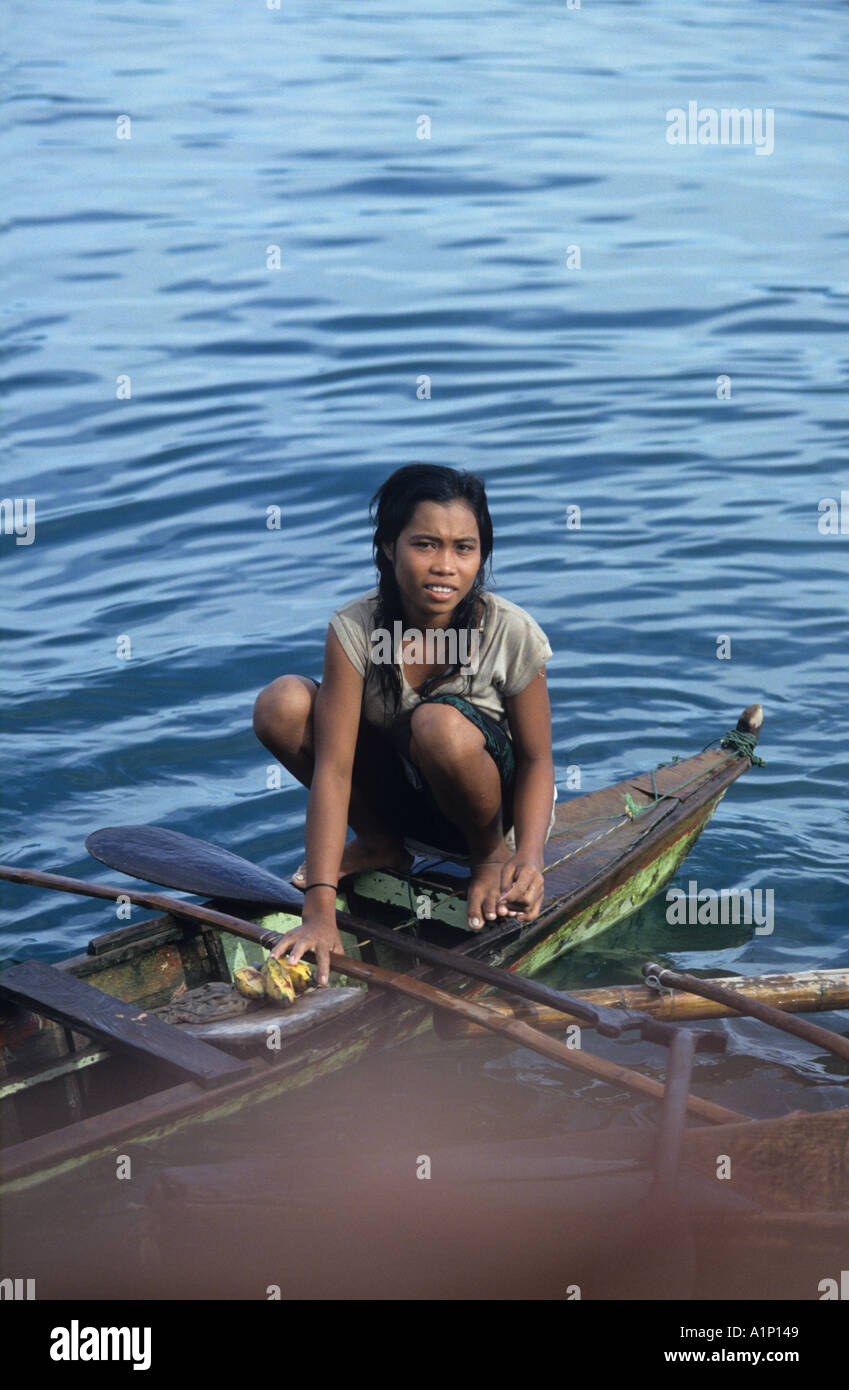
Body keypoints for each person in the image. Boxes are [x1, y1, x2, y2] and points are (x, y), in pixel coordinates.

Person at [252, 463, 556, 985]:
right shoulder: (355, 628)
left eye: (464, 547)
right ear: (389, 548)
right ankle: (381, 843)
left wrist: (527, 857)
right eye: (425, 544)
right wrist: (320, 911)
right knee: (281, 704)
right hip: (404, 798)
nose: (445, 566)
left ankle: (484, 857)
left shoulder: (508, 630)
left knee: (439, 725)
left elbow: (536, 759)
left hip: (486, 813)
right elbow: (334, 770)